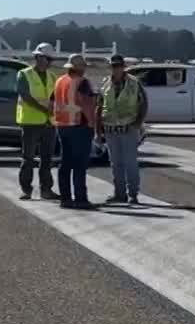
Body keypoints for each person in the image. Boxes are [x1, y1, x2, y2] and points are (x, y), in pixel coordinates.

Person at [51, 53, 100, 209]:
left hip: (62, 125)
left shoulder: (60, 81)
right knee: (79, 164)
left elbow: (51, 102)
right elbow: (86, 104)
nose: (85, 69)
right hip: (79, 126)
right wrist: (92, 123)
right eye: (83, 66)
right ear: (78, 68)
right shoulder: (82, 82)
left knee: (65, 163)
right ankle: (80, 199)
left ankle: (65, 198)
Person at [99, 53, 147, 205]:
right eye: (113, 66)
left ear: (123, 67)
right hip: (110, 129)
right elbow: (99, 106)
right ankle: (119, 194)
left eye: (119, 66)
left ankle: (133, 194)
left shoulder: (134, 83)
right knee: (115, 163)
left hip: (129, 127)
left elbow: (144, 103)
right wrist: (97, 130)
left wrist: (138, 123)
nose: (116, 68)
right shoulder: (105, 83)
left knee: (130, 162)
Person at [15, 44, 59, 201]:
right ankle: (26, 190)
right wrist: (45, 110)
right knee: (28, 158)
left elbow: (56, 98)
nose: (50, 62)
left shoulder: (52, 76)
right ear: (38, 57)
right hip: (31, 123)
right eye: (47, 58)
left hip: (49, 123)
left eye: (51, 59)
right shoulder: (24, 74)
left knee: (47, 159)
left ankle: (46, 189)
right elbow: (25, 96)